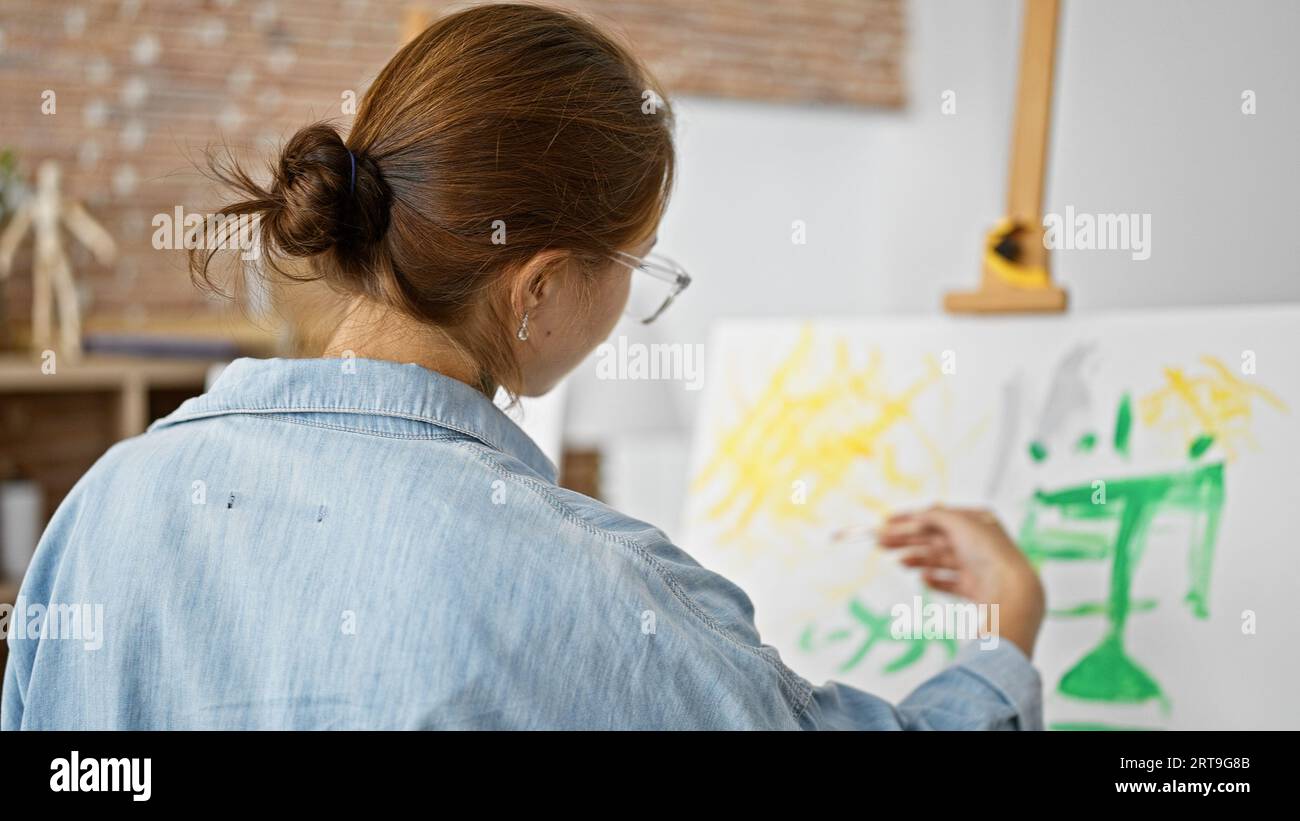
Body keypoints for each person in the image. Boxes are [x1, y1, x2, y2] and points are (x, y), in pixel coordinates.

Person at [2, 3, 1044, 730]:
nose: (635, 294)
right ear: (538, 286)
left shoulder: (105, 508)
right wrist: (1004, 636)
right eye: (635, 261)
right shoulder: (595, 589)